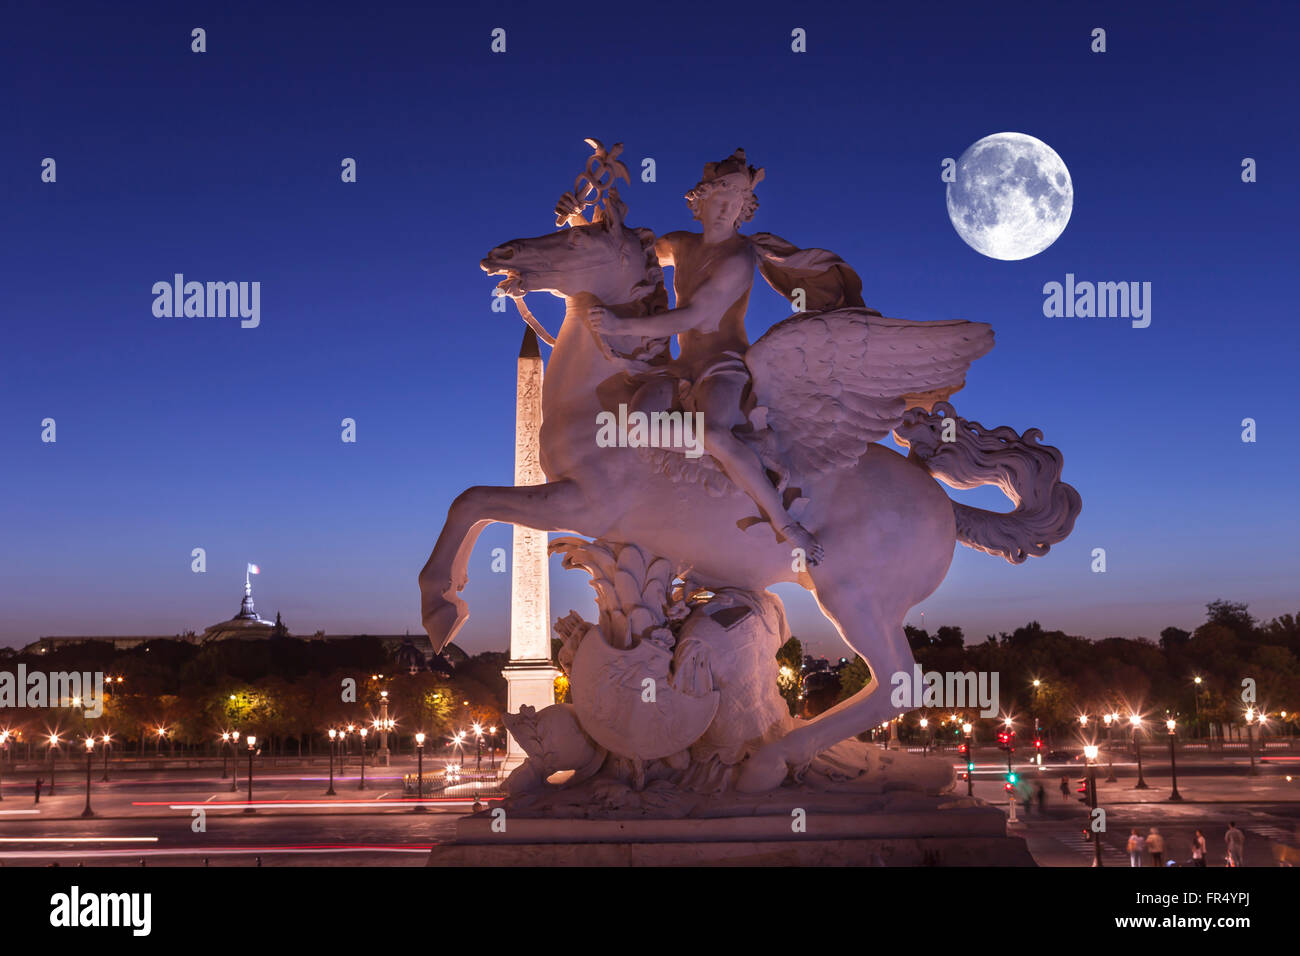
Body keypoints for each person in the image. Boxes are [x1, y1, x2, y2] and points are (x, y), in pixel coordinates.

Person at [579, 150, 867, 564]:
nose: (725, 210)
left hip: (724, 365)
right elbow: (624, 252)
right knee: (634, 426)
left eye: (734, 204)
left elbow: (696, 314)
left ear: (743, 210)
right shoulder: (679, 244)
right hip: (679, 366)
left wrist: (619, 326)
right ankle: (728, 463)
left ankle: (786, 524)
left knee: (714, 434)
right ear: (699, 203)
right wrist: (583, 219)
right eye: (717, 201)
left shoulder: (739, 257)